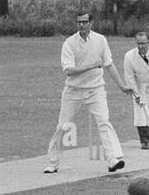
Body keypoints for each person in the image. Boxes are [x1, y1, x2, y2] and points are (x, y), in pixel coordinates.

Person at [43, 11, 130, 174]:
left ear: (91, 23)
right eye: (78, 22)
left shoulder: (101, 40)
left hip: (95, 90)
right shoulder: (69, 43)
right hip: (73, 91)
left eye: (84, 22)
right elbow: (69, 71)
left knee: (104, 122)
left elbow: (109, 65)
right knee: (63, 126)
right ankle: (53, 162)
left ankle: (112, 160)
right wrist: (91, 65)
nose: (81, 25)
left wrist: (122, 86)